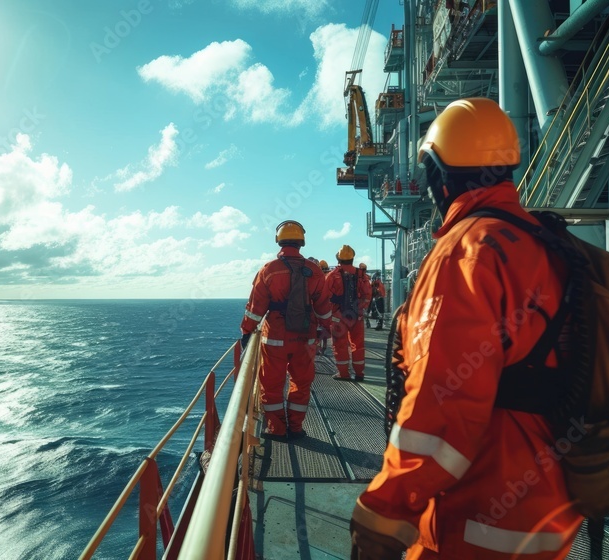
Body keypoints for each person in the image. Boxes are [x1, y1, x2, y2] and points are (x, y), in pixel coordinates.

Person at [350, 97, 582, 559]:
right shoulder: (549, 243)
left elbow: (443, 408)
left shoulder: (466, 251)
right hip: (550, 498)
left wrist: (383, 513)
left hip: (481, 508)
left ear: (438, 175)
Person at [240, 220, 333, 440]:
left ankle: (277, 429)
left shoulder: (269, 270)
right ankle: (297, 428)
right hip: (306, 337)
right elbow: (324, 307)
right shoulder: (314, 272)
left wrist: (246, 331)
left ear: (278, 241)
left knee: (271, 384)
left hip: (275, 338)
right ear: (302, 242)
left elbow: (255, 309)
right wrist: (325, 329)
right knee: (301, 383)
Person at [327, 245, 371, 381]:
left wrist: (334, 313)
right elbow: (367, 295)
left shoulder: (332, 276)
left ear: (338, 259)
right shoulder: (361, 275)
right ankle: (359, 373)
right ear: (352, 258)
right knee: (358, 344)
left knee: (339, 344)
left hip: (339, 317)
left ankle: (343, 374)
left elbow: (324, 296)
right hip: (356, 316)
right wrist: (359, 310)